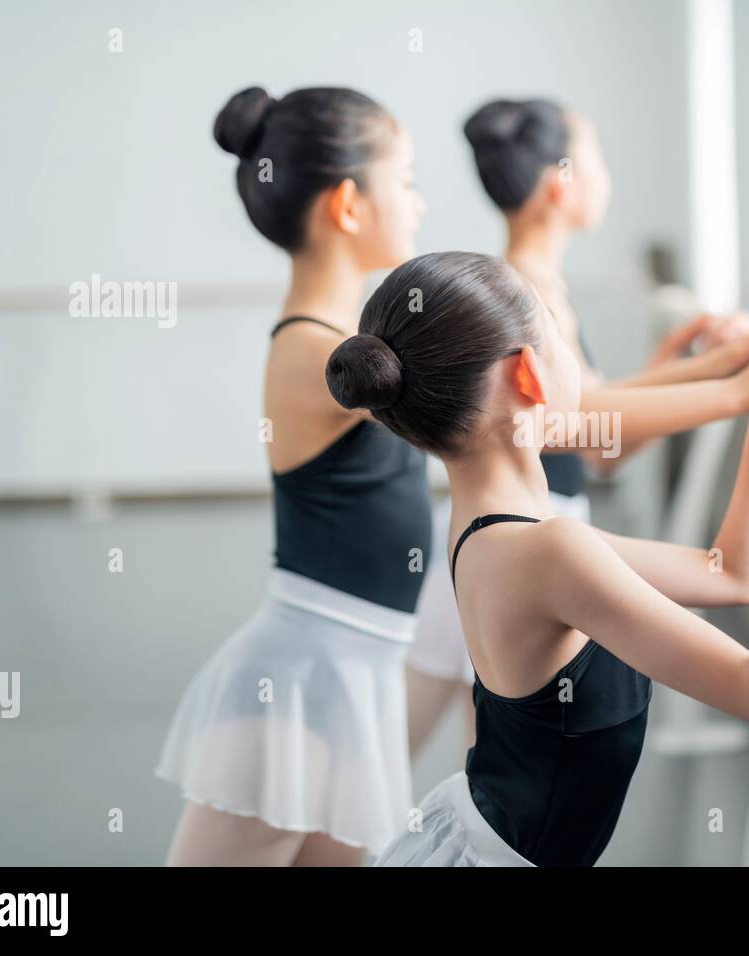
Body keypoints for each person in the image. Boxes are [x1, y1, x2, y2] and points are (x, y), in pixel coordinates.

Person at [326, 250, 749, 866]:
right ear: (529, 374)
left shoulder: (498, 529)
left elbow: (733, 573)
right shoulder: (549, 550)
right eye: (562, 337)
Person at [405, 97, 749, 755]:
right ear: (562, 181)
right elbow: (577, 424)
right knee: (438, 748)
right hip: (514, 532)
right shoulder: (525, 296)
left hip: (521, 527)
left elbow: (600, 436)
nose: (606, 175)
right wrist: (734, 385)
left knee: (468, 750)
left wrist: (700, 362)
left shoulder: (538, 284)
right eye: (595, 156)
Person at [154, 85, 429, 866]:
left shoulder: (340, 341)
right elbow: (475, 411)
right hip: (298, 685)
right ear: (348, 204)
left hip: (355, 675)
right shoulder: (320, 357)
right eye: (405, 179)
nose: (419, 200)